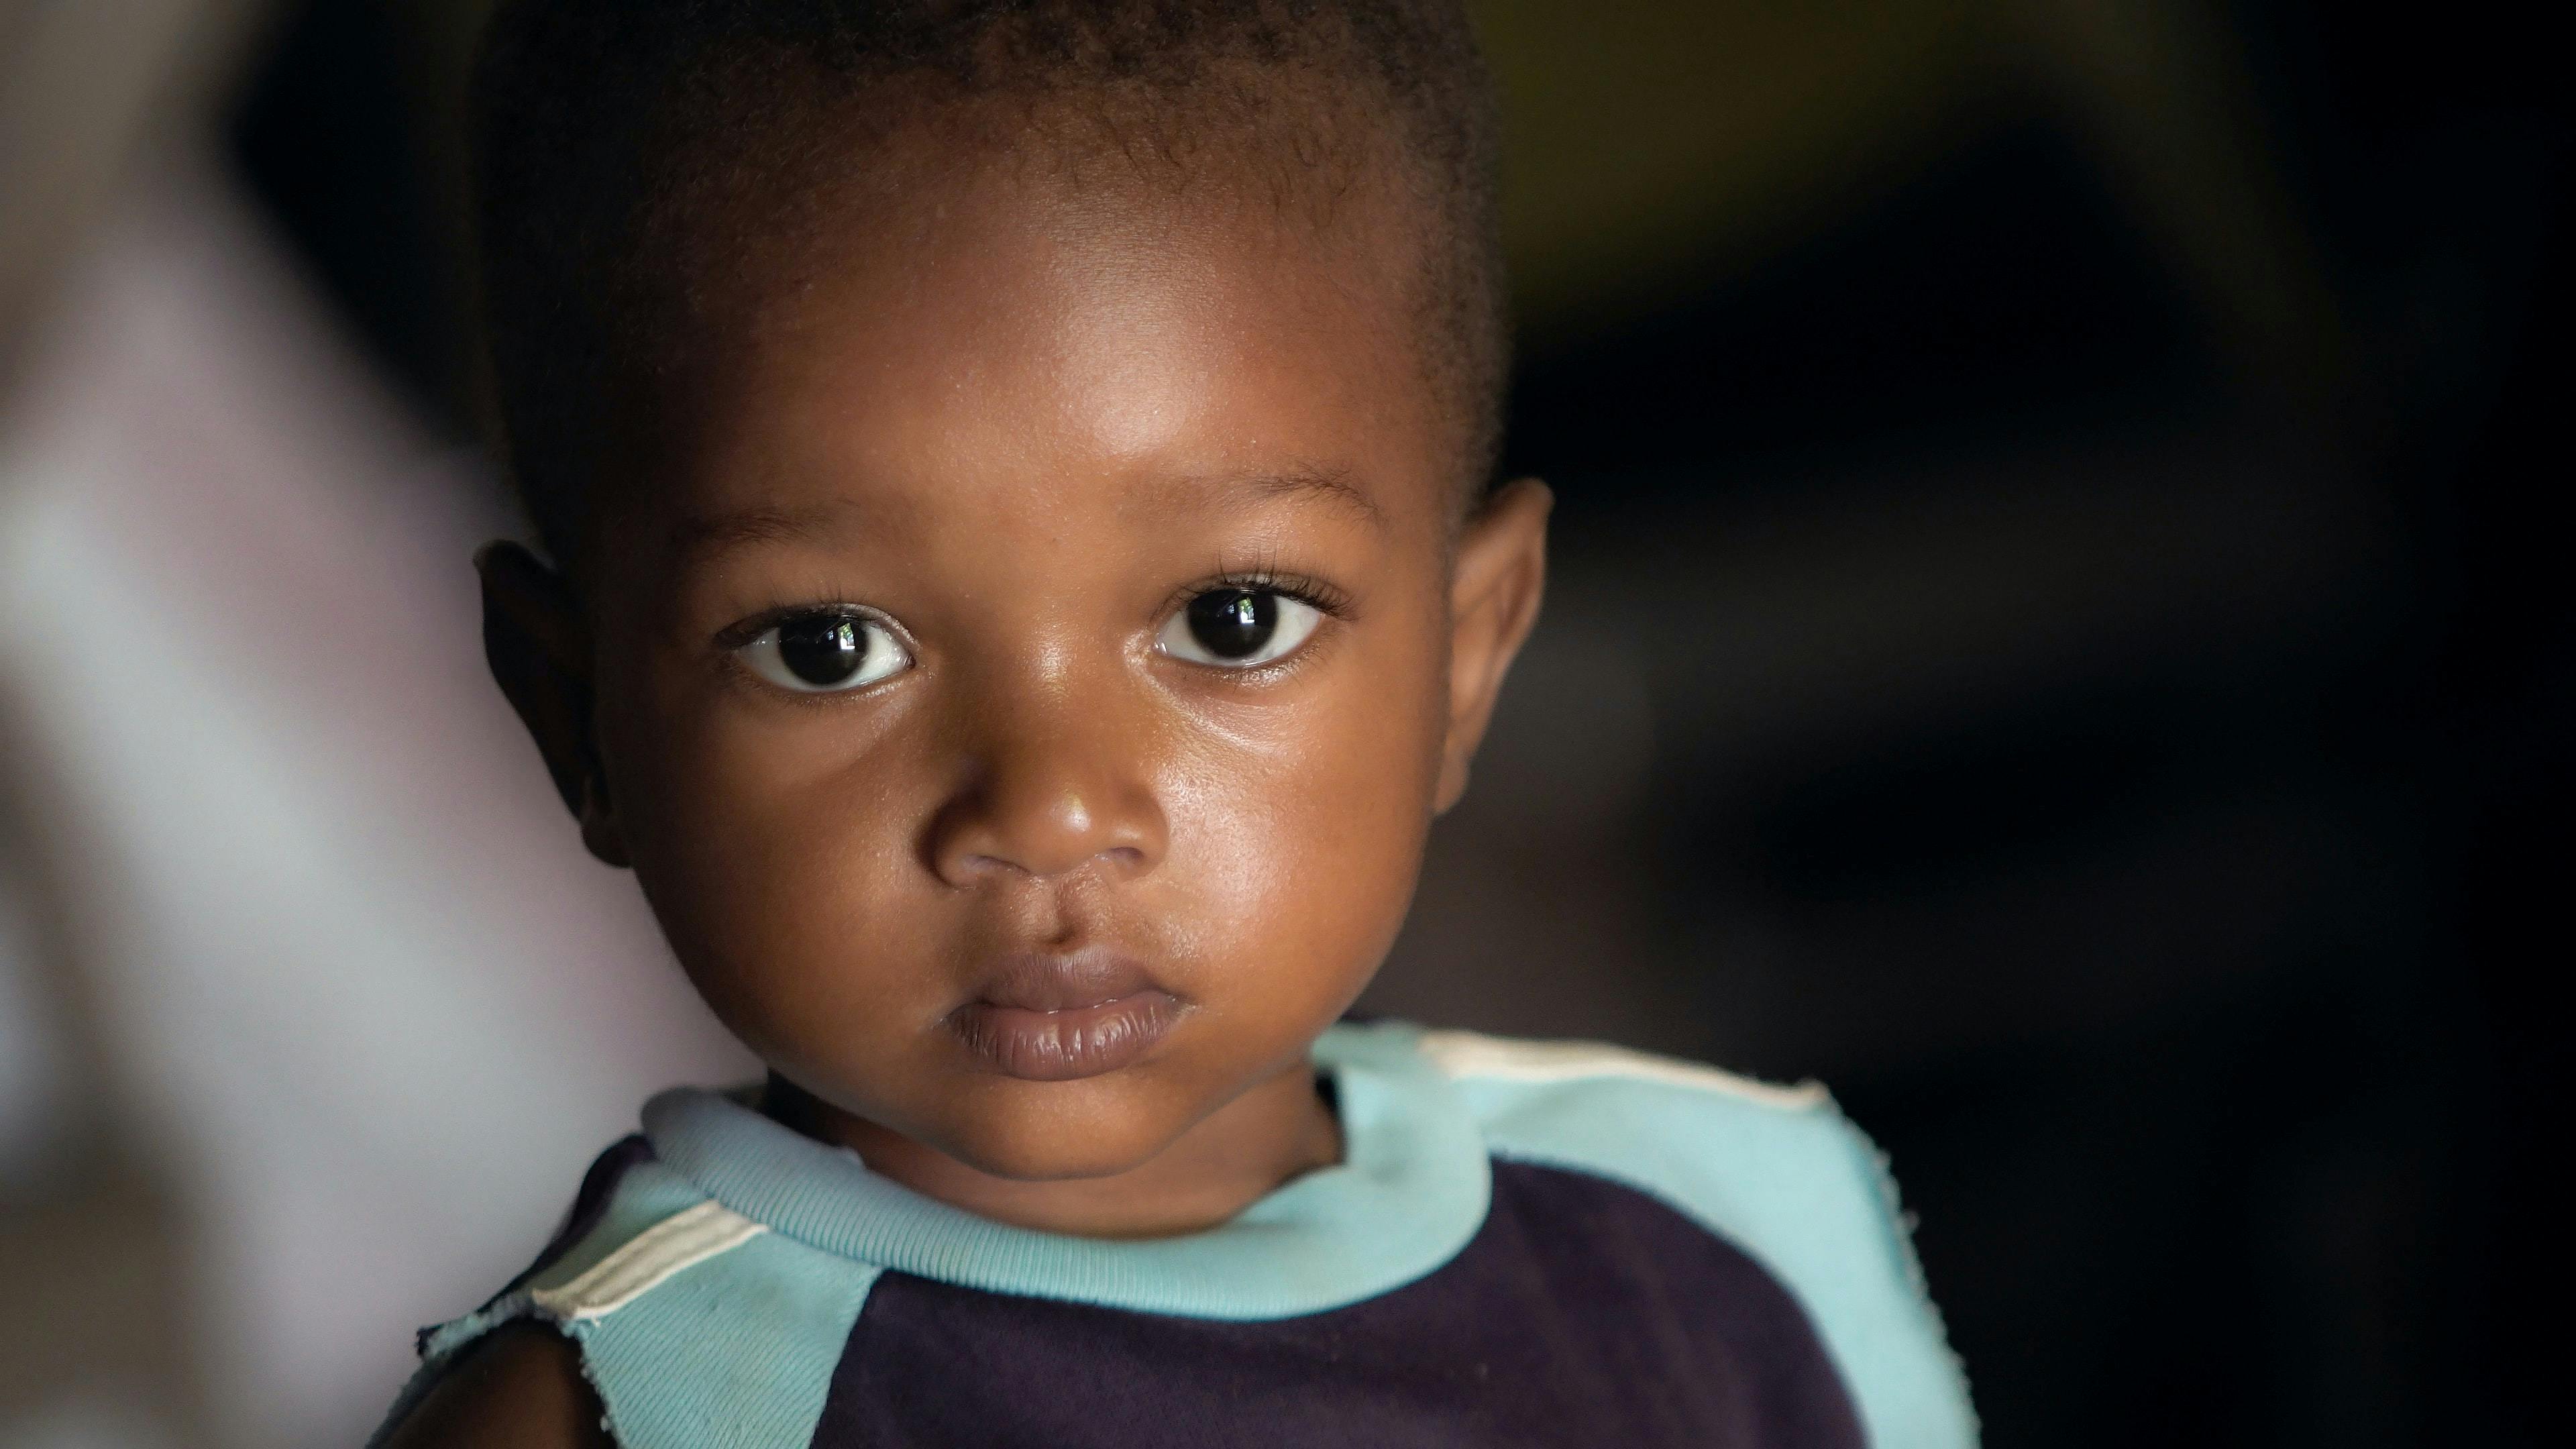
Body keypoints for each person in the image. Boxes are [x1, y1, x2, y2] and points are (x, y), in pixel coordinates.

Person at [374, 3, 1974, 1445]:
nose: (1050, 810)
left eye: (1234, 621)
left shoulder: (1732, 1240)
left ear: (1468, 656)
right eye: (827, 648)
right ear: (577, 717)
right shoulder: (619, 1416)